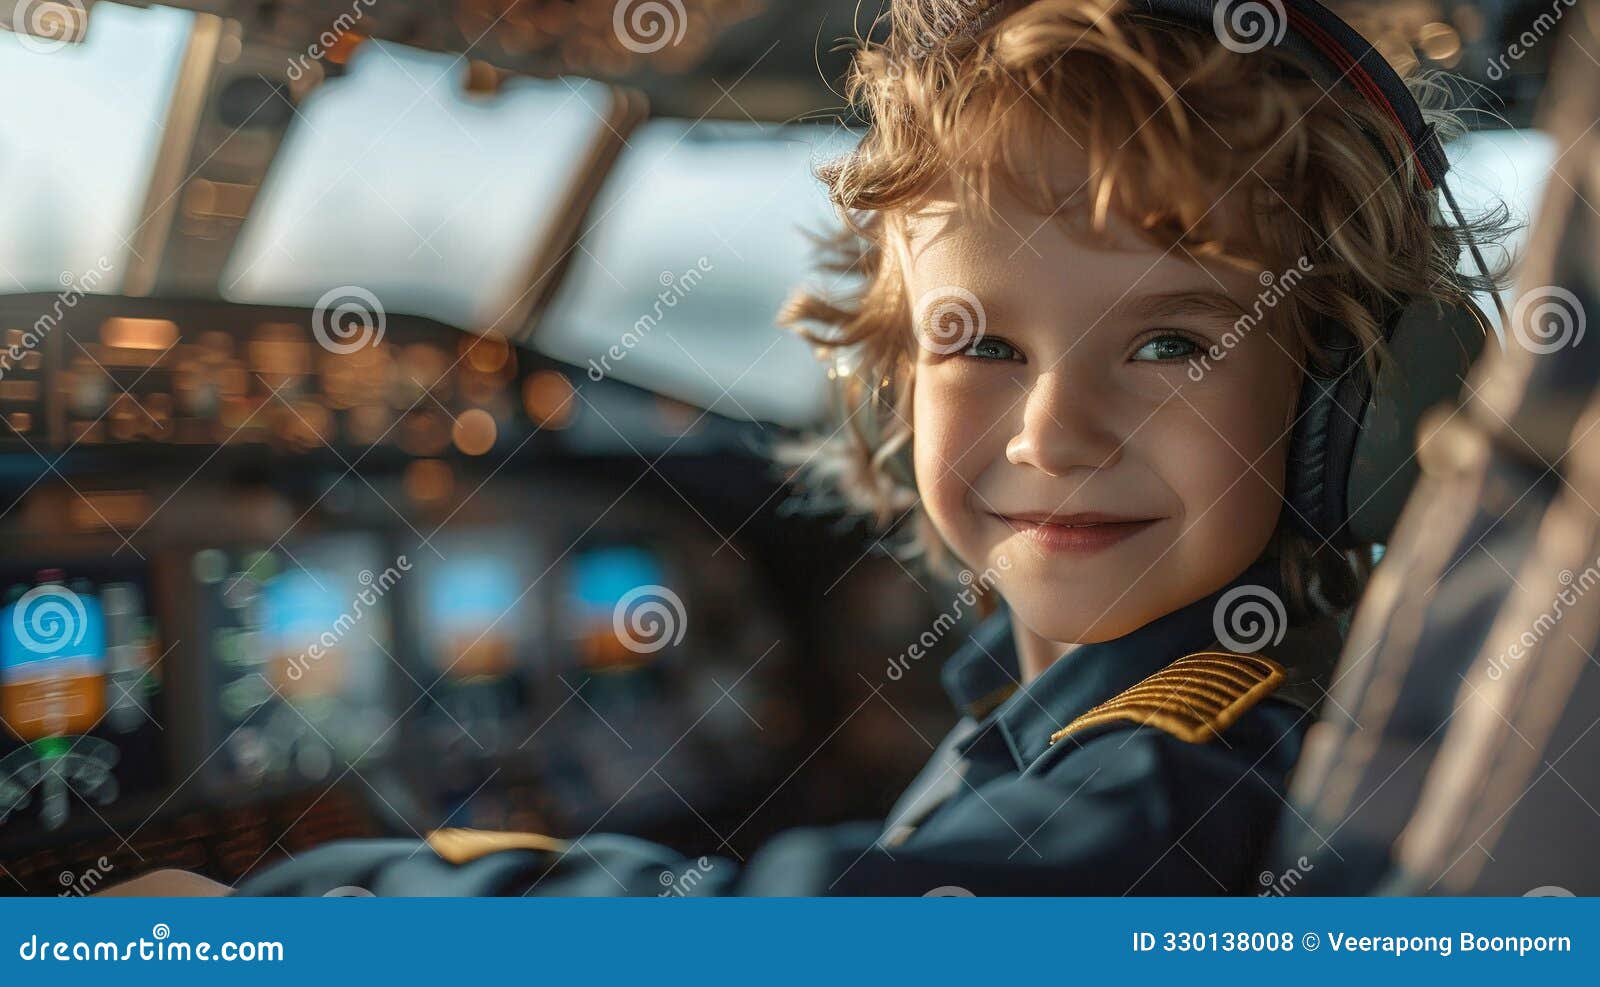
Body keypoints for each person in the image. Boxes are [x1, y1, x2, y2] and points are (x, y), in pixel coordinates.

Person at [212, 0, 1505, 895]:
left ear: (1354, 403)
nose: (1053, 431)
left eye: (1171, 345)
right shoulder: (1071, 711)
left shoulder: (1186, 771)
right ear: (892, 392)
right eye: (980, 345)